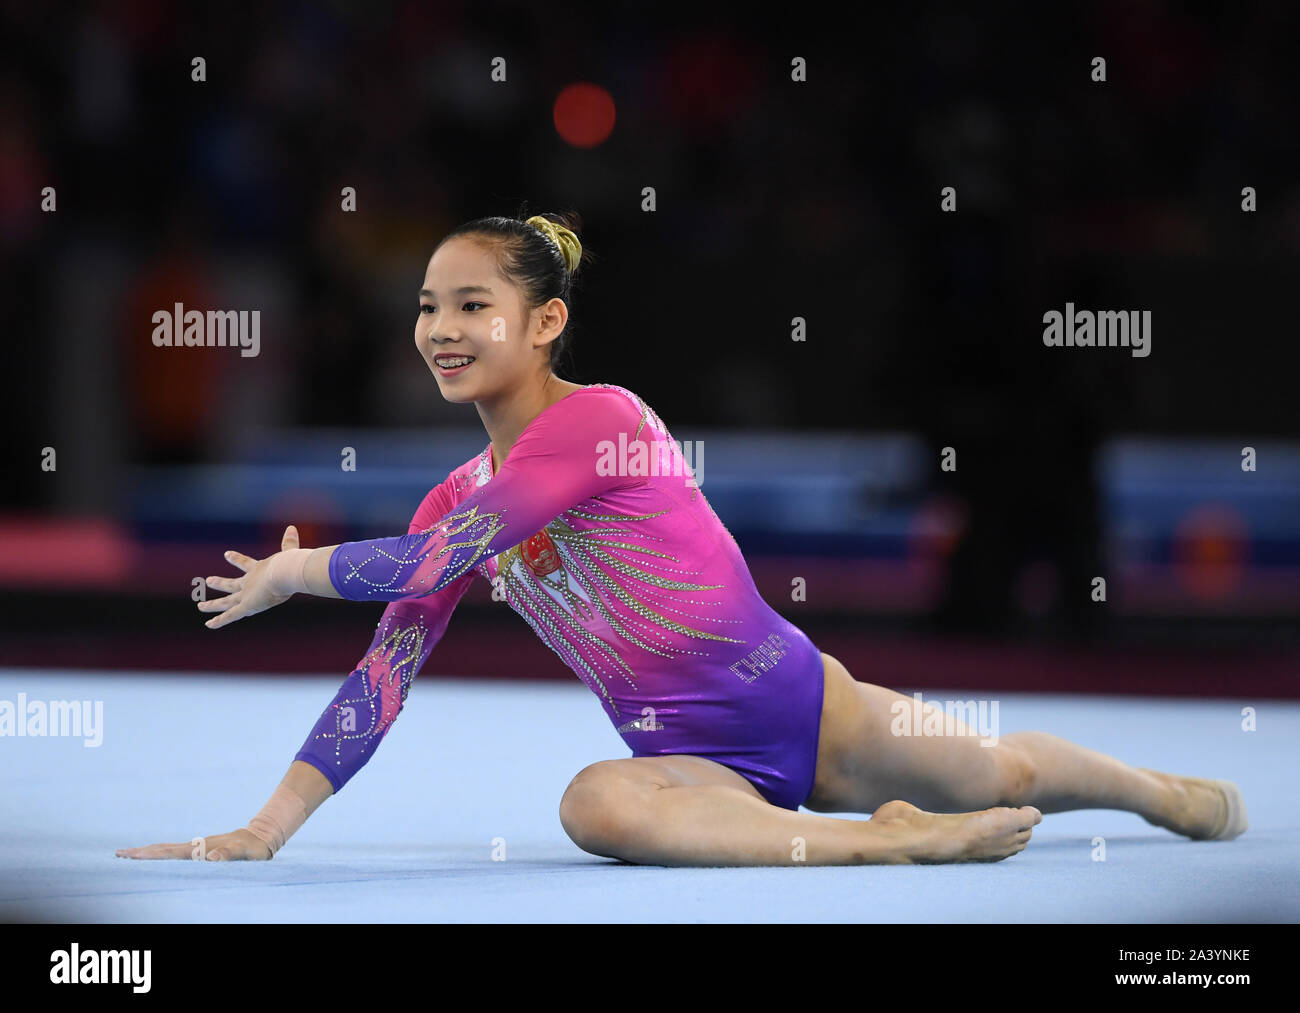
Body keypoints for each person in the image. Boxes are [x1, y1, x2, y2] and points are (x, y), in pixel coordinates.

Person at [117, 211, 1246, 867]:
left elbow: (429, 562)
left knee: (994, 766)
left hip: (809, 705)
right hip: (690, 765)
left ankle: (1158, 791)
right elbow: (385, 670)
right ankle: (891, 844)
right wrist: (267, 825)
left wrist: (293, 569)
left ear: (545, 320)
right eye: (426, 305)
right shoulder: (457, 492)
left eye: (472, 305)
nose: (441, 330)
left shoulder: (598, 422)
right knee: (591, 804)